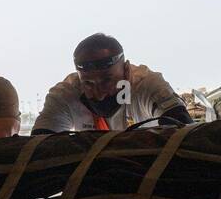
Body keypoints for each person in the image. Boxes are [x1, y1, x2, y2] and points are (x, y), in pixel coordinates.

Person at [31, 33, 190, 133]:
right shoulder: (65, 93)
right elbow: (38, 146)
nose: (99, 94)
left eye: (107, 80)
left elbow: (184, 130)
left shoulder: (147, 84)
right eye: (88, 83)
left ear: (126, 70)